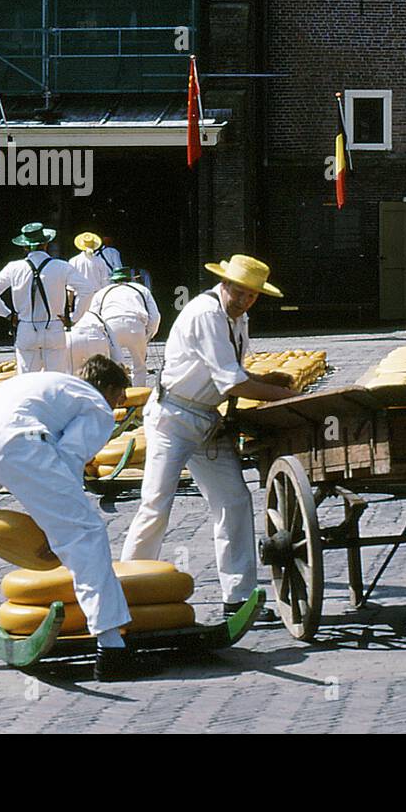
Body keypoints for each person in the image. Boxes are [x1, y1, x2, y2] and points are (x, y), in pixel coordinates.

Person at [0, 355, 150, 681]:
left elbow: (0, 449)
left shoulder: (47, 385)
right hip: (15, 437)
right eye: (119, 398)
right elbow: (68, 460)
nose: (117, 407)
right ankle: (111, 646)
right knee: (84, 534)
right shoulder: (95, 404)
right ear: (109, 389)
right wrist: (58, 531)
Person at [121, 255, 299, 617]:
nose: (244, 300)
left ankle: (238, 597)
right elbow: (232, 383)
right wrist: (293, 398)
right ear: (225, 285)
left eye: (252, 295)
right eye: (240, 292)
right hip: (173, 416)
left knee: (233, 500)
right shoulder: (206, 313)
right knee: (156, 503)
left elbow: (232, 371)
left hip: (206, 419)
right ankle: (126, 589)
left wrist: (268, 381)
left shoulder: (239, 318)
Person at [0, 222, 97, 374]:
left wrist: (8, 315)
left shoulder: (14, 267)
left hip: (26, 327)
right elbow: (87, 290)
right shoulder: (61, 266)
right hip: (54, 327)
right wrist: (74, 317)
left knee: (28, 382)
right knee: (56, 380)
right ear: (46, 244)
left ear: (24, 247)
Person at [90, 267, 163, 384]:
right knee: (140, 366)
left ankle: (117, 395)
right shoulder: (142, 289)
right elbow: (155, 316)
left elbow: (93, 316)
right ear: (131, 278)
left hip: (110, 326)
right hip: (136, 325)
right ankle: (139, 397)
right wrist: (147, 335)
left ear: (112, 280)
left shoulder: (101, 292)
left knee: (114, 365)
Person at [68, 232, 112, 310]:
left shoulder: (73, 261)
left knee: (79, 320)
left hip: (80, 298)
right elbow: (105, 284)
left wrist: (69, 306)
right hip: (97, 298)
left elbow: (70, 288)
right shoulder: (100, 261)